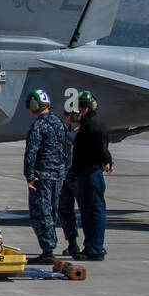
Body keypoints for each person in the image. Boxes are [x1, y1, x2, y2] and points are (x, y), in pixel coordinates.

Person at [22, 88, 67, 264]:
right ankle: (49, 248)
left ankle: (48, 250)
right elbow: (67, 151)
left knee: (41, 212)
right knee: (52, 211)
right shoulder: (60, 123)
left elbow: (31, 153)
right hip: (57, 175)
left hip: (41, 177)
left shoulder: (39, 125)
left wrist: (29, 175)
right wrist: (63, 172)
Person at [70, 90, 113, 261]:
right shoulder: (87, 123)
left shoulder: (94, 125)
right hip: (84, 173)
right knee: (87, 212)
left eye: (82, 105)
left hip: (91, 174)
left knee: (95, 211)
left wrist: (107, 162)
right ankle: (90, 247)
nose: (80, 109)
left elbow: (102, 148)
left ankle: (95, 249)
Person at [58, 110, 83, 257]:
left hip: (76, 177)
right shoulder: (67, 133)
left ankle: (88, 244)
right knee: (66, 211)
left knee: (83, 211)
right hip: (68, 177)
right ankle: (74, 244)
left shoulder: (80, 135)